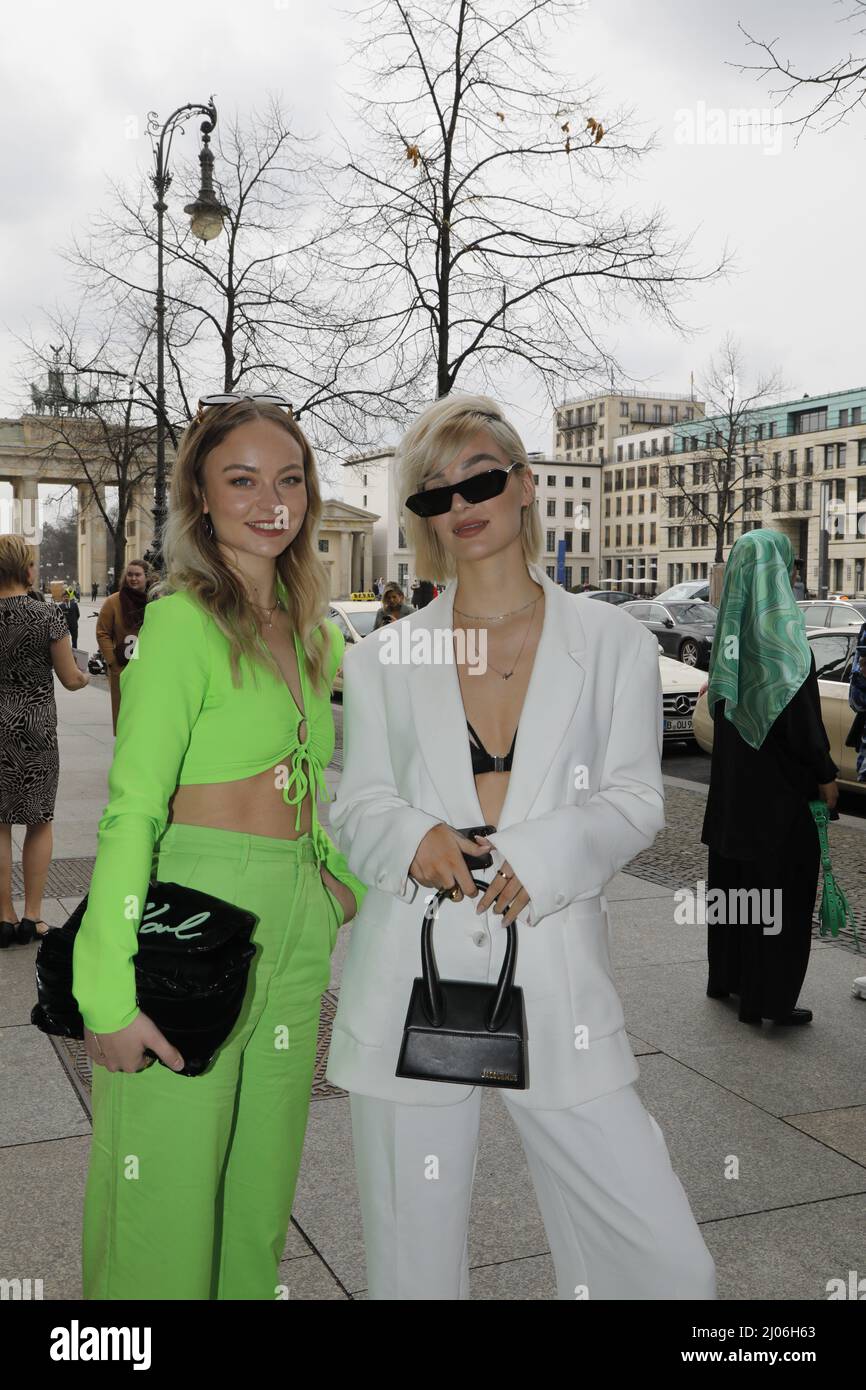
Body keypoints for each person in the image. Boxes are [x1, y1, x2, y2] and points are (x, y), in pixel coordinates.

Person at [326, 393, 715, 1301]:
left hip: (560, 982)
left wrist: (542, 855)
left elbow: (633, 799)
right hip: (408, 982)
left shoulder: (612, 641)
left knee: (663, 1266)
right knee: (411, 1272)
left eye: (483, 479)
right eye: (434, 494)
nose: (463, 504)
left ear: (525, 483)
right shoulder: (384, 658)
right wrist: (411, 833)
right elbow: (358, 806)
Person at [71, 396, 366, 1300]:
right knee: (161, 1201)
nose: (270, 499)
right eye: (242, 479)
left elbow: (318, 776)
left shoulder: (312, 632)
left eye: (289, 479)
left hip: (294, 927)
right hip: (194, 922)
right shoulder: (181, 627)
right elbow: (132, 816)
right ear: (201, 495)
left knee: (257, 1198)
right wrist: (106, 993)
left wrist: (336, 885)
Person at [701, 529, 837, 1026]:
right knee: (780, 898)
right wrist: (825, 777)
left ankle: (729, 980)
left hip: (732, 802)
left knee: (735, 893)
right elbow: (804, 728)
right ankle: (768, 1000)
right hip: (779, 807)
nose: (795, 574)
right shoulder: (783, 640)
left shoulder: (728, 641)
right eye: (791, 565)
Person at [0, 536, 89, 946]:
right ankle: (33, 917)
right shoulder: (48, 616)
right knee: (38, 820)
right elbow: (71, 680)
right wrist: (86, 674)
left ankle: (4, 916)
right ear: (27, 569)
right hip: (35, 730)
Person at [95, 559, 154, 734]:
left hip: (150, 668)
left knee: (149, 719)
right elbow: (102, 632)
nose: (133, 578)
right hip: (124, 668)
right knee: (126, 722)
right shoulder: (113, 602)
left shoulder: (156, 602)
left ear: (147, 577)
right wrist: (113, 662)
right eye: (130, 574)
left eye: (138, 575)